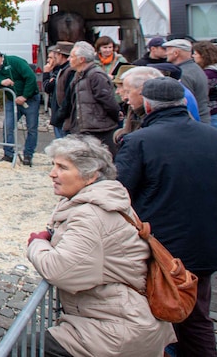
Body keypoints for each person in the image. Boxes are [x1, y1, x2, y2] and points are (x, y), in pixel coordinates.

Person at [115, 77, 217, 356]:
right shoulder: (215, 136)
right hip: (203, 242)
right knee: (195, 316)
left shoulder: (139, 140)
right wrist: (212, 209)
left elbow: (119, 194)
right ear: (182, 104)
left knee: (162, 317)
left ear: (149, 106)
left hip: (159, 250)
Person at [26, 136, 175, 356]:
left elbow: (60, 270)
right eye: (53, 165)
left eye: (62, 167)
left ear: (91, 176)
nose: (53, 174)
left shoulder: (91, 214)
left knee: (21, 347)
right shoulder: (104, 200)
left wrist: (37, 244)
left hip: (113, 330)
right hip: (116, 318)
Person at [64, 41, 122, 156]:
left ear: (81, 59)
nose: (69, 59)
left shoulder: (96, 75)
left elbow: (108, 101)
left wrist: (115, 116)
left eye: (72, 56)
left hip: (98, 129)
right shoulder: (79, 75)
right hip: (84, 128)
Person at [0, 47, 40, 166]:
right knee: (8, 126)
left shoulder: (15, 61)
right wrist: (1, 82)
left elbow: (30, 77)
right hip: (12, 99)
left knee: (32, 127)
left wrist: (24, 96)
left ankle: (28, 154)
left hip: (30, 99)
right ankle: (8, 153)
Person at [161, 39, 211, 123]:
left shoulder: (184, 73)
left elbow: (185, 102)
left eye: (167, 50)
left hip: (194, 121)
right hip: (202, 118)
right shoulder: (195, 68)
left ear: (176, 53)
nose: (166, 53)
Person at [113, 66, 162, 144]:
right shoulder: (134, 108)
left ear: (142, 91)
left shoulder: (154, 114)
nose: (117, 92)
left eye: (128, 91)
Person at [193, 41, 217, 131]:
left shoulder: (209, 74)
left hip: (210, 113)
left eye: (195, 54)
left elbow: (200, 93)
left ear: (203, 55)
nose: (193, 56)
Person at [42, 42, 74, 139]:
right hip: (58, 114)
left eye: (52, 57)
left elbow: (49, 87)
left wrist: (46, 74)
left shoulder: (68, 70)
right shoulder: (60, 69)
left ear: (59, 55)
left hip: (63, 116)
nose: (49, 60)